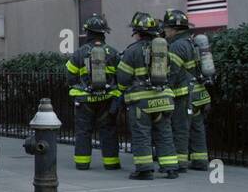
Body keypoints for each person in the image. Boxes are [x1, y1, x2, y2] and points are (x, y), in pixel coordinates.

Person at [116, 12, 179, 180]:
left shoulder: (132, 51)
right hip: (164, 99)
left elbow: (122, 78)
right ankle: (171, 167)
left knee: (141, 134)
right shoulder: (165, 49)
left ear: (137, 32)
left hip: (141, 102)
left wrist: (122, 91)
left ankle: (144, 169)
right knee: (165, 133)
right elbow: (172, 72)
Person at [65, 14, 122, 170]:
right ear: (104, 33)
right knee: (108, 131)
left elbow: (70, 77)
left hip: (84, 101)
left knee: (83, 132)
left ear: (88, 32)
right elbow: (122, 76)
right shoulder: (113, 52)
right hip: (107, 100)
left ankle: (82, 163)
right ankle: (111, 164)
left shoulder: (79, 53)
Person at [162, 9, 211, 171]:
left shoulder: (177, 46)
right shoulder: (191, 41)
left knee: (180, 128)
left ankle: (180, 162)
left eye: (167, 28)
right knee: (197, 128)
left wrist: (164, 87)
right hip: (201, 93)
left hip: (187, 94)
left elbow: (173, 73)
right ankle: (200, 161)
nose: (165, 31)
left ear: (174, 29)